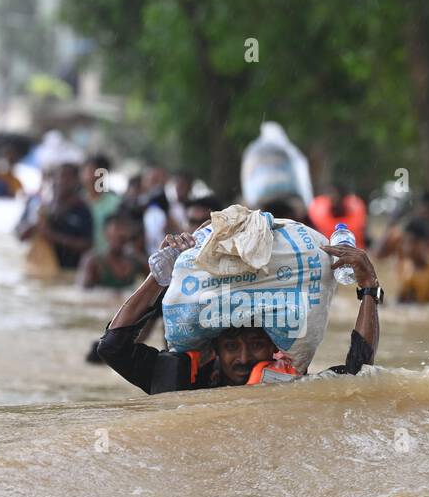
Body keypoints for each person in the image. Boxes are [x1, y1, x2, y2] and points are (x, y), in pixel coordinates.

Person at [96, 231, 382, 393]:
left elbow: (357, 376)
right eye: (231, 346)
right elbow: (112, 348)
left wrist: (369, 288)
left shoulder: (292, 388)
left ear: (275, 346)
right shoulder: (180, 380)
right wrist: (158, 278)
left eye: (257, 345)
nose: (244, 358)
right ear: (214, 349)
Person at [17, 162, 93, 269]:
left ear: (77, 181)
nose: (62, 181)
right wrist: (33, 228)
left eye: (67, 177)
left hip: (70, 270)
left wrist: (52, 236)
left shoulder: (83, 211)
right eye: (59, 177)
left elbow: (87, 245)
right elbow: (20, 236)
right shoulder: (42, 207)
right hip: (41, 267)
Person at [376, 189, 429, 274]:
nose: (427, 214)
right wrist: (391, 224)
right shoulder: (400, 235)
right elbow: (378, 256)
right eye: (425, 210)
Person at [78, 213, 147, 290]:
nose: (121, 233)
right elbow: (82, 293)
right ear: (106, 233)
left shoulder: (136, 260)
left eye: (124, 228)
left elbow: (154, 287)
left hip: (127, 301)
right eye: (117, 228)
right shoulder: (93, 261)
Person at [82, 153, 122, 252]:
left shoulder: (115, 202)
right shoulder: (78, 199)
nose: (86, 174)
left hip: (105, 258)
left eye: (90, 170)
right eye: (85, 170)